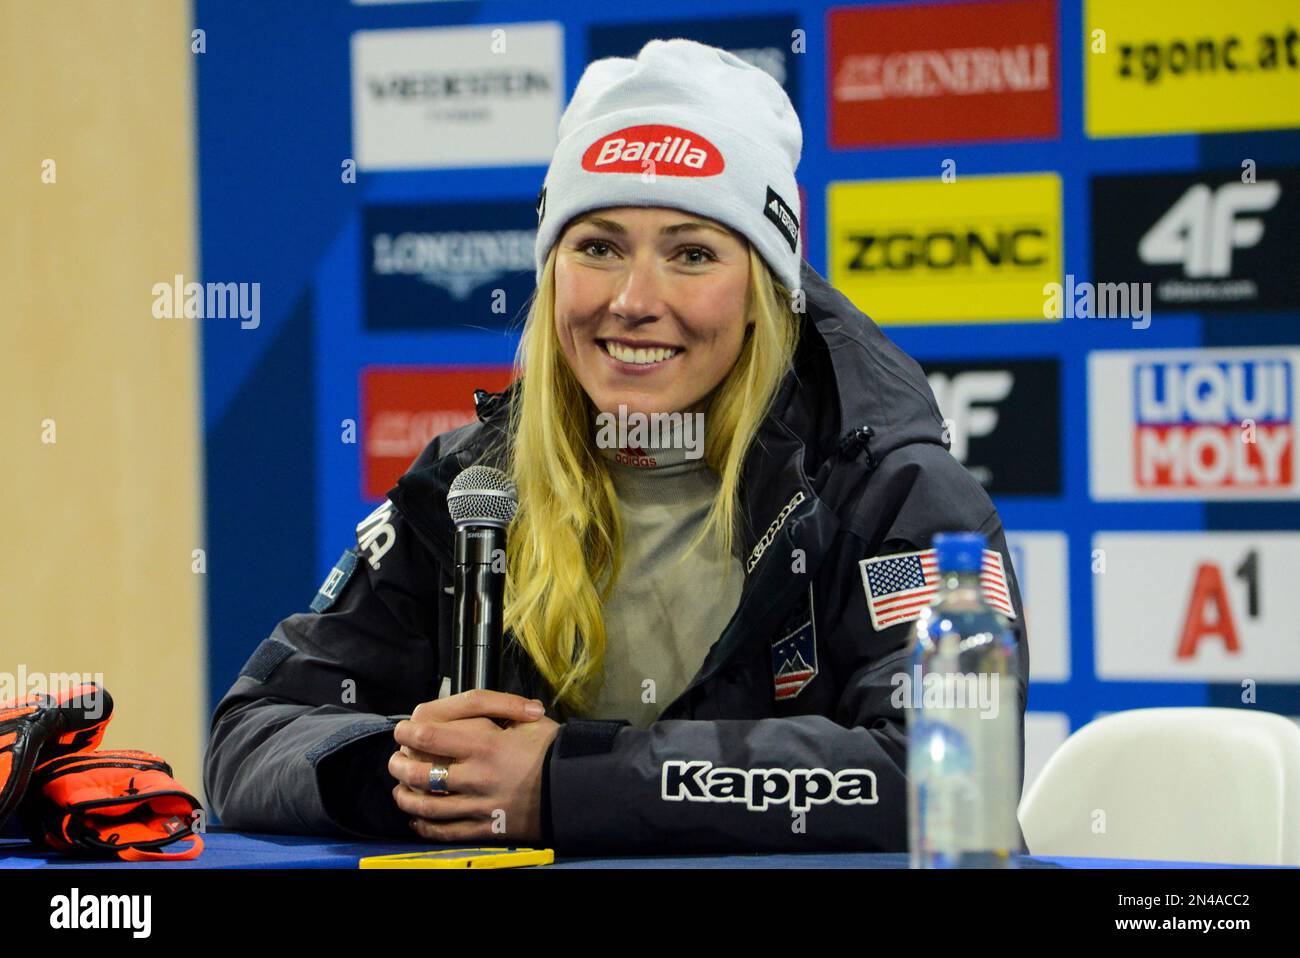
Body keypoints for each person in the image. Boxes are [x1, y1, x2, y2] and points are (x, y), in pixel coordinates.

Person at [203, 37, 1030, 855]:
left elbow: (947, 777)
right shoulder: (471, 489)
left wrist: (565, 784)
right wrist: (423, 771)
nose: (634, 300)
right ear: (552, 270)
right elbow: (249, 737)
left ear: (763, 293)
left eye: (691, 254)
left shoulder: (887, 489)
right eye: (598, 247)